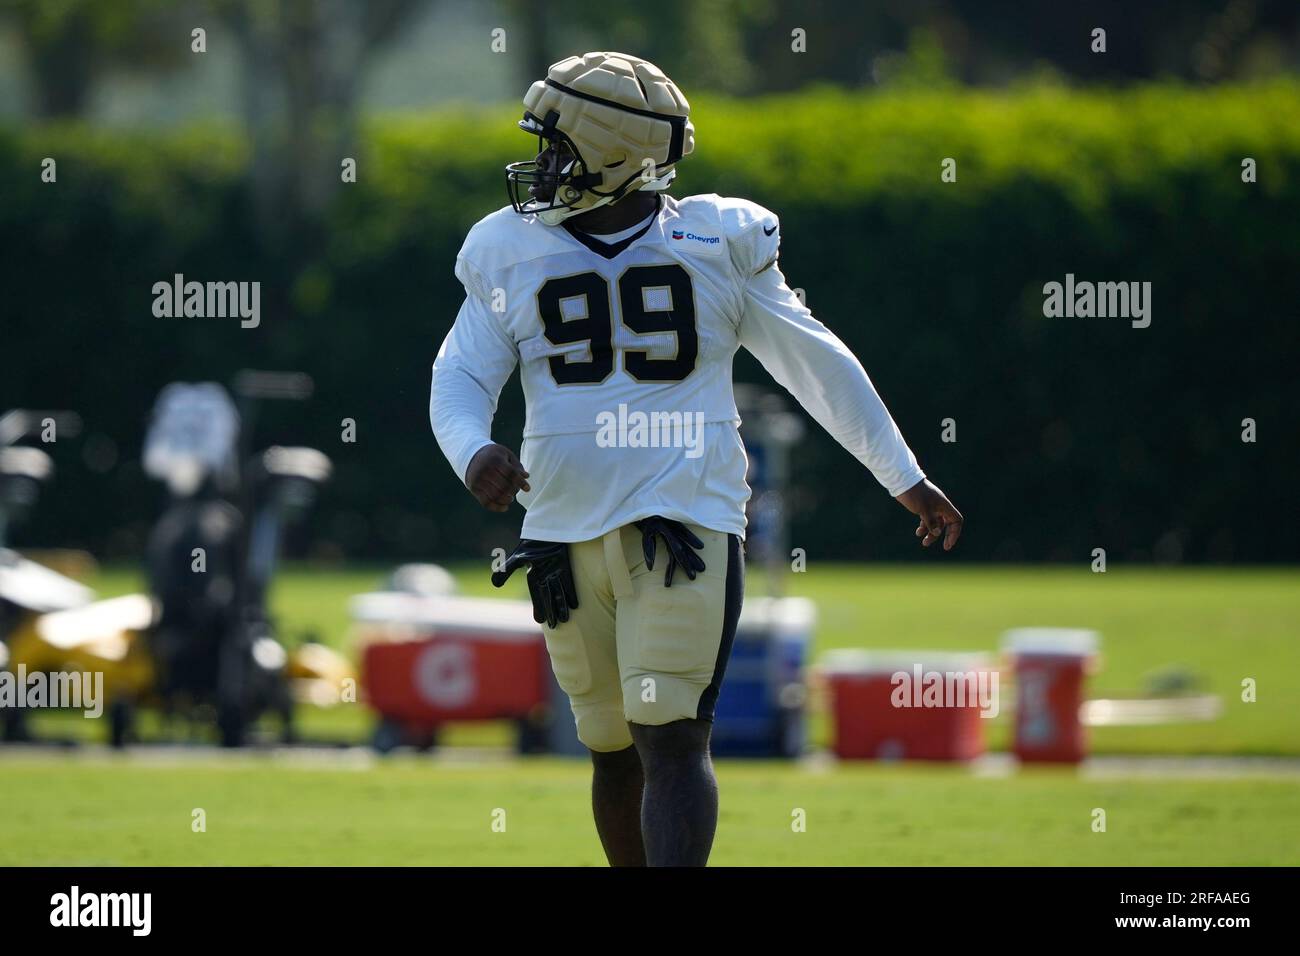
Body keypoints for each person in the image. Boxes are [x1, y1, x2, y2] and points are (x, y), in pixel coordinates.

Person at [430, 51, 963, 866]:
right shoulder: (509, 248)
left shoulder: (715, 238)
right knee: (609, 745)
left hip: (681, 523)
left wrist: (903, 474)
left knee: (670, 735)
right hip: (564, 532)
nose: (541, 163)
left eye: (557, 144)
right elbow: (460, 375)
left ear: (608, 152)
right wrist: (474, 451)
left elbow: (814, 363)